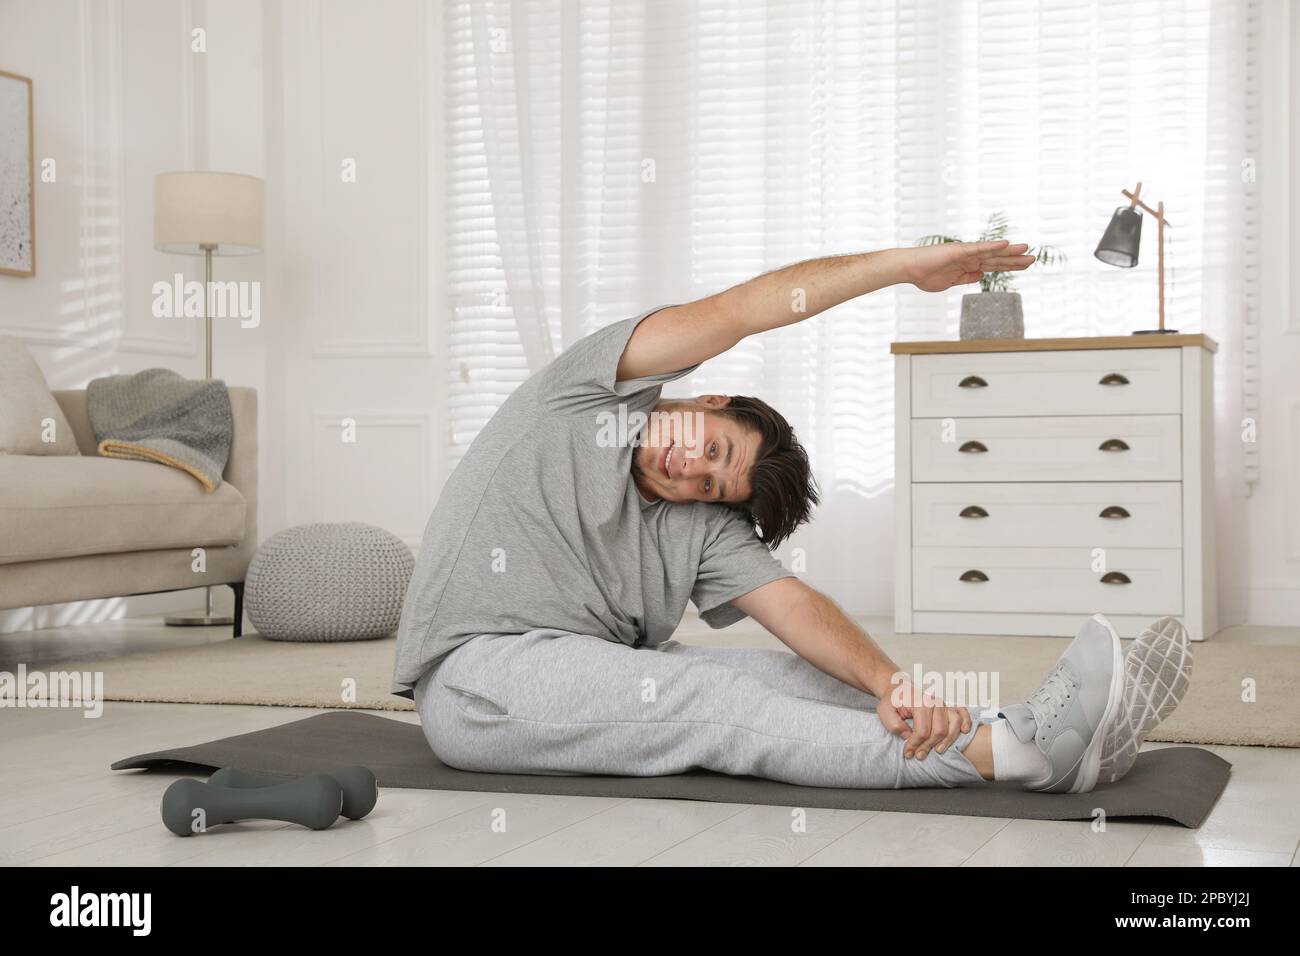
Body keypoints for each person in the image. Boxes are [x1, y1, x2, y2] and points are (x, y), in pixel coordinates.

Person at [391, 240, 1192, 792]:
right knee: (718, 708)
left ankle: (1032, 724)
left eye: (712, 484)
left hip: (569, 673)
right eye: (711, 447)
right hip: (476, 683)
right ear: (708, 401)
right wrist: (906, 266)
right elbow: (749, 308)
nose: (690, 471)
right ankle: (1014, 757)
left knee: (787, 676)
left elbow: (797, 610)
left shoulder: (697, 526)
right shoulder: (584, 396)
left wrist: (894, 686)